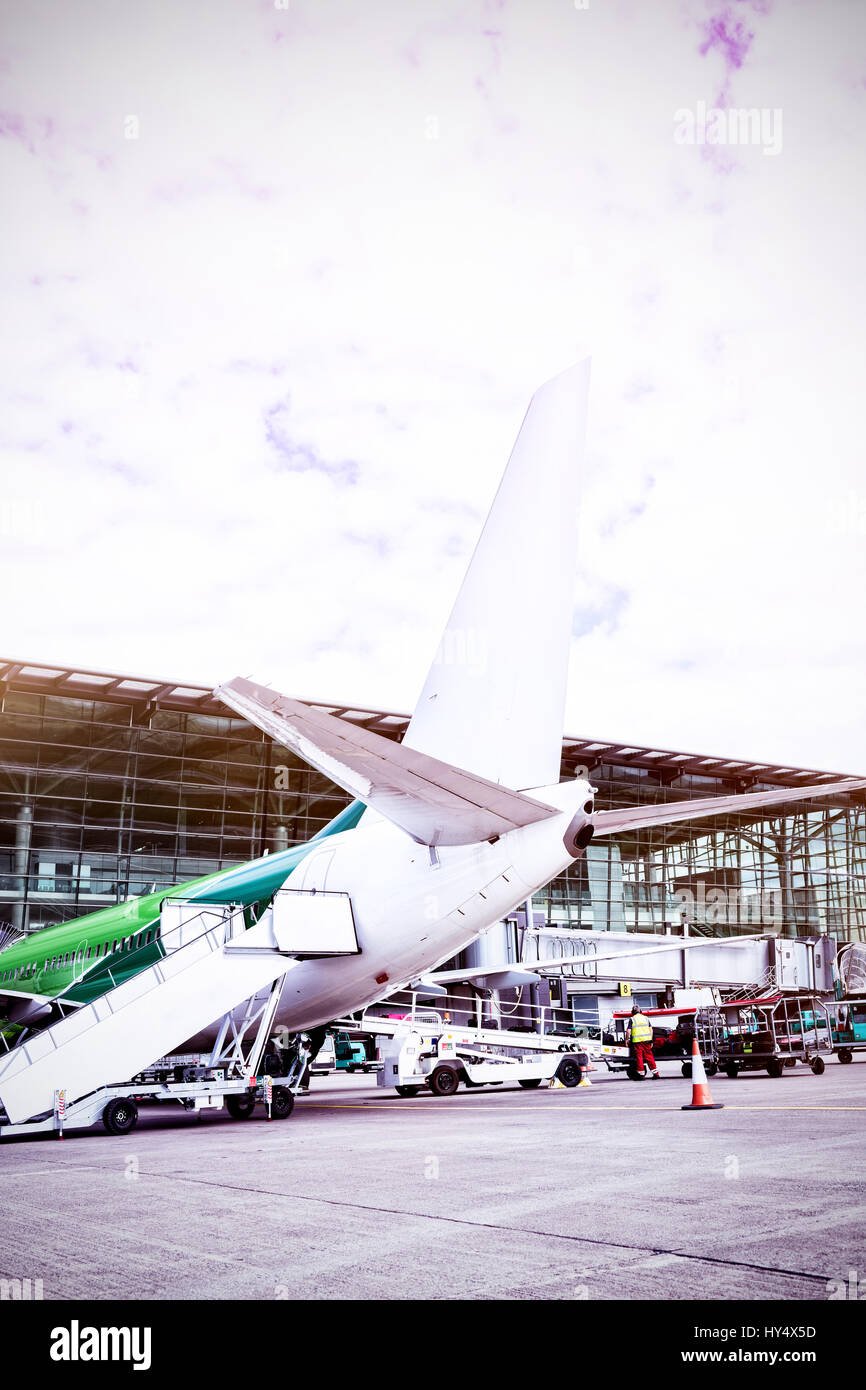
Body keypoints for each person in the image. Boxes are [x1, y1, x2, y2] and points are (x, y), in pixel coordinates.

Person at [626, 1003, 660, 1079]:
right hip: (647, 1041)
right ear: (640, 1011)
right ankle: (656, 1074)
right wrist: (651, 1040)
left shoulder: (632, 1019)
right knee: (650, 1057)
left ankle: (641, 1074)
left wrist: (627, 1040)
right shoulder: (646, 1018)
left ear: (632, 1012)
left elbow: (628, 1031)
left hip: (637, 1042)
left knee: (639, 1058)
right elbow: (651, 1029)